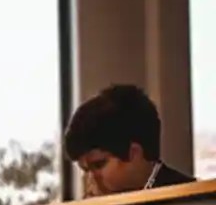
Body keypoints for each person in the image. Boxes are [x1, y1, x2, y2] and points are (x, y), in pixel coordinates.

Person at [64, 83, 196, 197]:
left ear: (134, 153)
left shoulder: (196, 203)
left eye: (98, 165)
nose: (90, 182)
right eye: (85, 170)